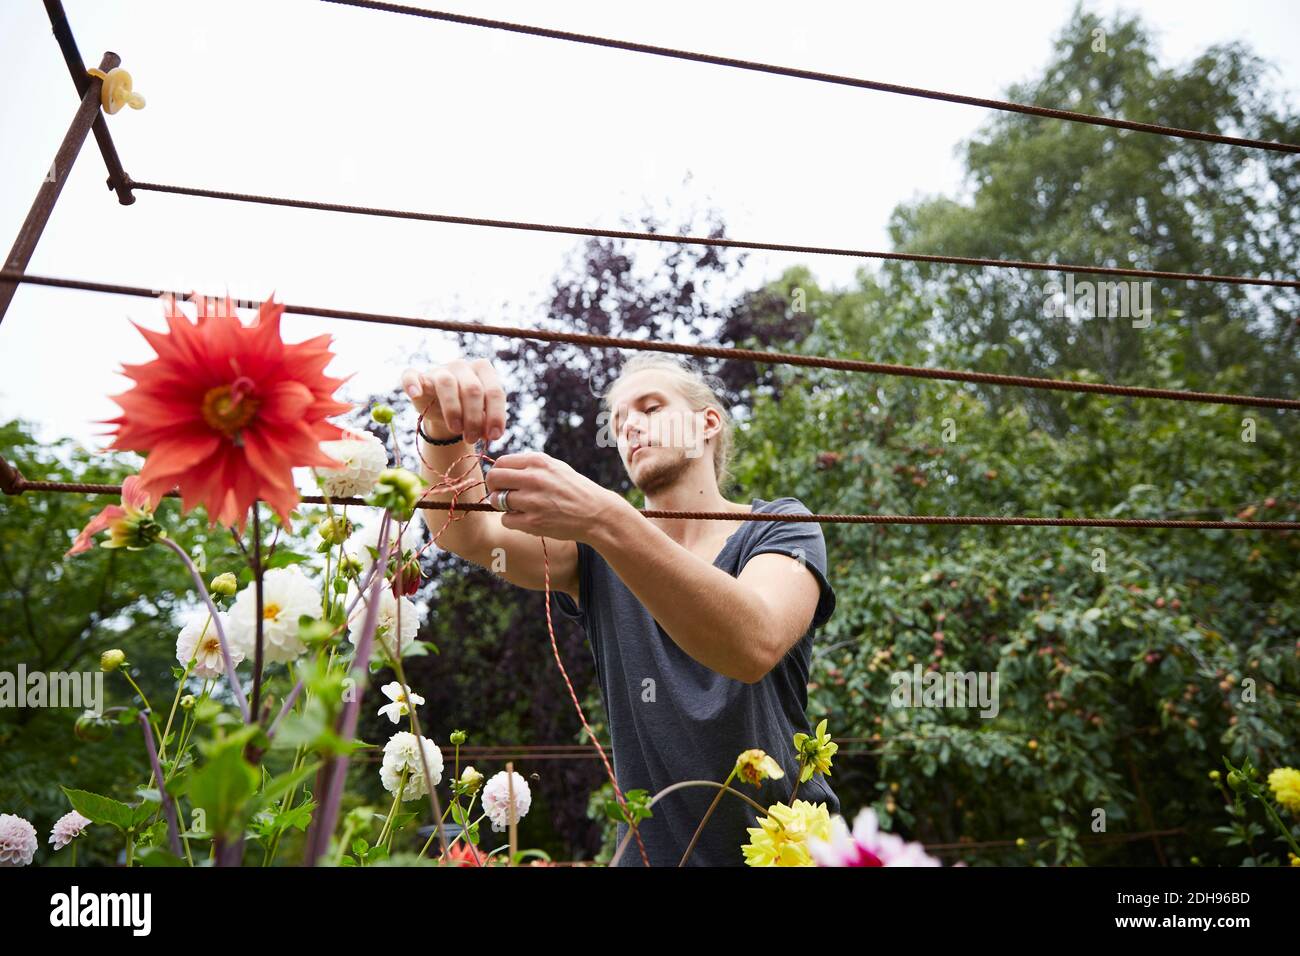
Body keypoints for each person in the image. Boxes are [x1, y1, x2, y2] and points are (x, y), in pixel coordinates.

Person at [401, 352, 838, 865]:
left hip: (793, 852)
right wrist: (442, 427)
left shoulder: (783, 526)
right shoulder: (596, 550)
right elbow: (469, 533)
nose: (630, 427)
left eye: (650, 408)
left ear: (708, 423)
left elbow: (752, 643)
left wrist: (605, 517)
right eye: (618, 422)